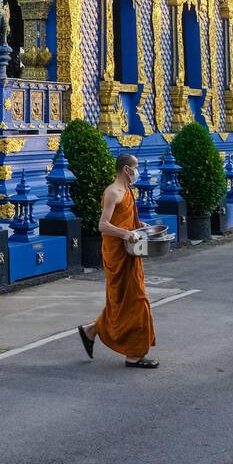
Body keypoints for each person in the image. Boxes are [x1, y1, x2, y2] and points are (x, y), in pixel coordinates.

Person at [78, 153, 159, 368]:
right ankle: (134, 354)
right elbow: (103, 225)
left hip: (130, 252)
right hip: (117, 253)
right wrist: (125, 233)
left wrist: (139, 225)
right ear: (126, 169)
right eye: (136, 167)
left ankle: (90, 330)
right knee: (135, 300)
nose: (137, 171)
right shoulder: (113, 192)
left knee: (123, 301)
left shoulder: (128, 191)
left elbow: (125, 219)